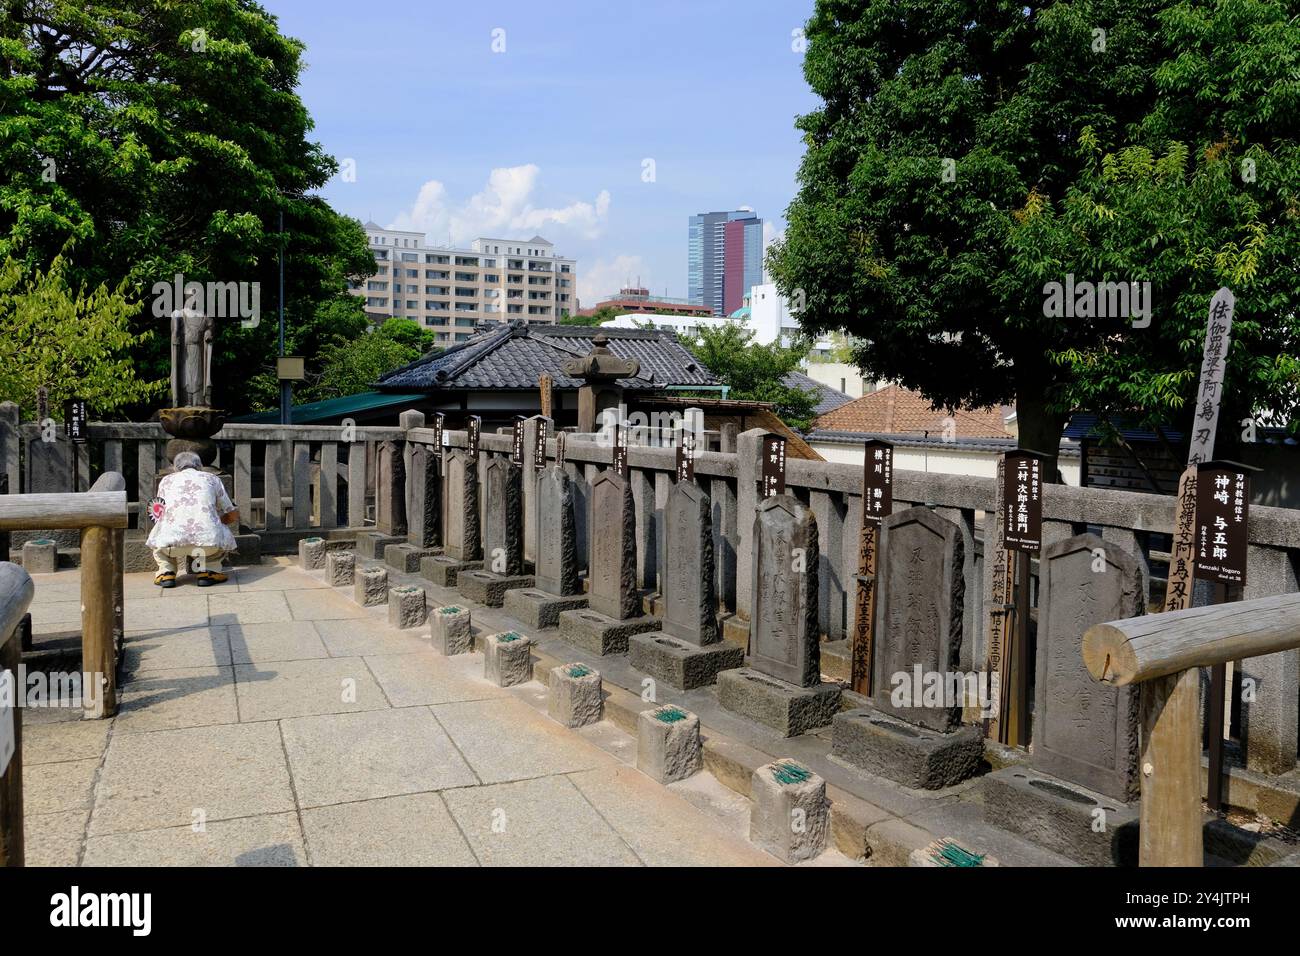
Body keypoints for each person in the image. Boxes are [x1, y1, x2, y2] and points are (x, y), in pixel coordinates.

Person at [146, 452, 239, 587]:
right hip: (208, 545)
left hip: (170, 546)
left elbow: (159, 512)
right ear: (200, 465)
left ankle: (166, 573)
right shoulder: (212, 478)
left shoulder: (166, 481)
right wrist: (220, 522)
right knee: (219, 532)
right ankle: (208, 571)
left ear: (175, 467)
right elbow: (232, 513)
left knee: (159, 536)